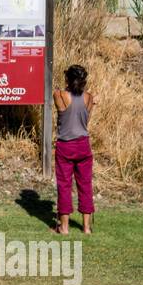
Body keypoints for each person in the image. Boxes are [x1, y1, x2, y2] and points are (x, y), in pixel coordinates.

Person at [53, 64, 95, 235]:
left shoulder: (60, 95)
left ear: (68, 80)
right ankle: (86, 227)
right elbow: (87, 120)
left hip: (65, 145)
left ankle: (64, 227)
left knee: (64, 185)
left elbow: (58, 98)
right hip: (83, 144)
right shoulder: (89, 97)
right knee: (85, 184)